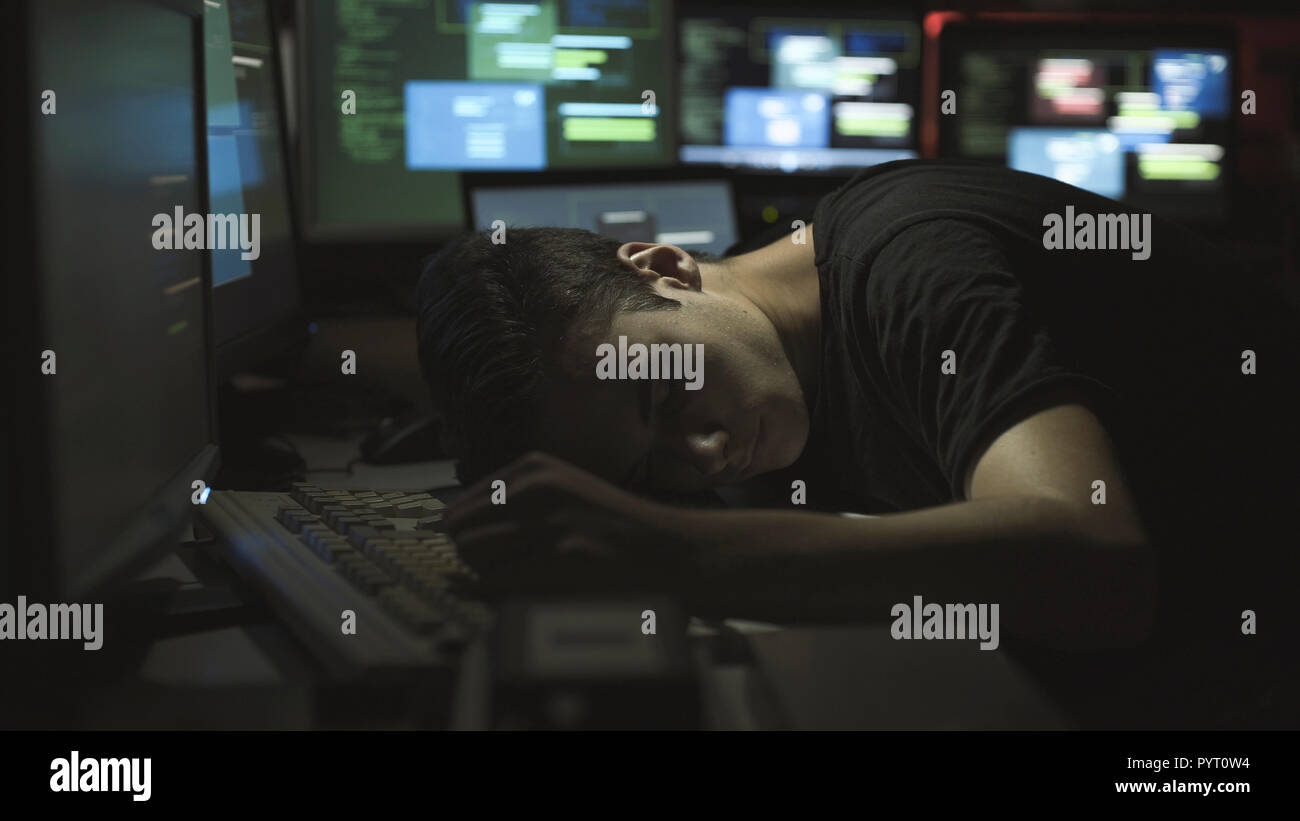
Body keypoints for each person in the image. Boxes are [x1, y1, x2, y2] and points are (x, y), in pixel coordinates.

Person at [416, 159, 1299, 726]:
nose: (709, 450)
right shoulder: (766, 340)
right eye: (652, 468)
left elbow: (1103, 570)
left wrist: (671, 551)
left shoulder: (917, 269)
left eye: (667, 392)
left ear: (661, 266)